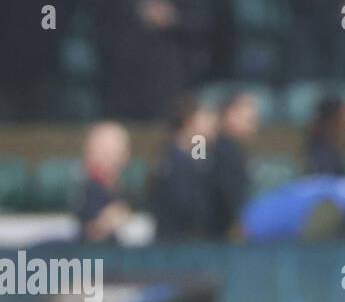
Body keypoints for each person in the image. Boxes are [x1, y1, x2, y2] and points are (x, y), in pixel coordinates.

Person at [149, 96, 218, 241]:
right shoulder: (171, 165)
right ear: (189, 122)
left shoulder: (198, 155)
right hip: (176, 246)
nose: (212, 123)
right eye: (205, 118)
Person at [210, 90, 260, 240]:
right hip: (217, 237)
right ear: (230, 116)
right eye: (249, 121)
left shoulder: (231, 150)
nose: (254, 127)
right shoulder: (221, 150)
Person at [73, 122, 135, 242]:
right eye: (102, 150)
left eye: (114, 151)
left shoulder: (128, 189)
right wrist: (104, 224)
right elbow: (89, 232)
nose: (108, 157)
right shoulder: (87, 191)